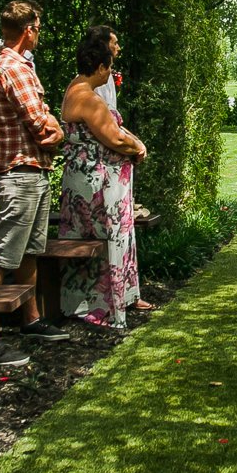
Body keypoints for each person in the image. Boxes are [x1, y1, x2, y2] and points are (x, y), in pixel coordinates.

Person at [0, 0, 69, 354]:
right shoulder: (13, 67)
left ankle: (29, 319)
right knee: (3, 254)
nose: (39, 34)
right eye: (39, 28)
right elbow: (41, 123)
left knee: (30, 251)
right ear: (28, 29)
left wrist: (52, 127)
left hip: (33, 170)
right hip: (20, 172)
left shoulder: (15, 65)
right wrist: (56, 131)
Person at [56, 26, 147, 329]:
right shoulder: (89, 98)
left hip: (80, 179)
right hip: (98, 184)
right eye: (108, 68)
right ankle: (104, 306)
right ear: (99, 67)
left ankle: (82, 301)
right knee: (106, 238)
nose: (111, 74)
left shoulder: (73, 89)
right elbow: (114, 139)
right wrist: (137, 147)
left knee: (86, 238)